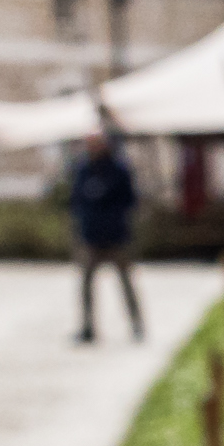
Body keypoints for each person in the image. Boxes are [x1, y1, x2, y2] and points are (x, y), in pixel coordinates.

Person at [65, 120, 144, 342]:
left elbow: (130, 200)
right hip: (91, 236)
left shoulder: (118, 169)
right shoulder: (82, 169)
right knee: (86, 285)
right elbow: (76, 200)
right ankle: (88, 327)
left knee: (126, 283)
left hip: (116, 236)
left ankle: (137, 325)